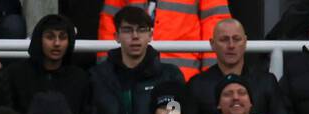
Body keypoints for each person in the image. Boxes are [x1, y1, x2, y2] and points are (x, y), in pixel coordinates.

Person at [89, 4, 187, 114]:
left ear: (150, 35)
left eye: (141, 30)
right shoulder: (97, 77)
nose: (135, 36)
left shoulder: (170, 75)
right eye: (127, 30)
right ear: (116, 36)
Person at [187, 18, 289, 114]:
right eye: (224, 40)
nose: (231, 45)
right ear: (212, 44)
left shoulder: (266, 82)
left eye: (236, 39)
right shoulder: (197, 85)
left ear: (245, 42)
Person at [98, 0, 231, 81]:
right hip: (130, 78)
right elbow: (110, 25)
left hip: (183, 79)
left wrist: (213, 78)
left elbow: (216, 27)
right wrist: (106, 74)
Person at [5, 14, 90, 114]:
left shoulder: (80, 78)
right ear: (39, 39)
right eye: (50, 37)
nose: (57, 43)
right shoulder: (16, 73)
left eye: (63, 37)